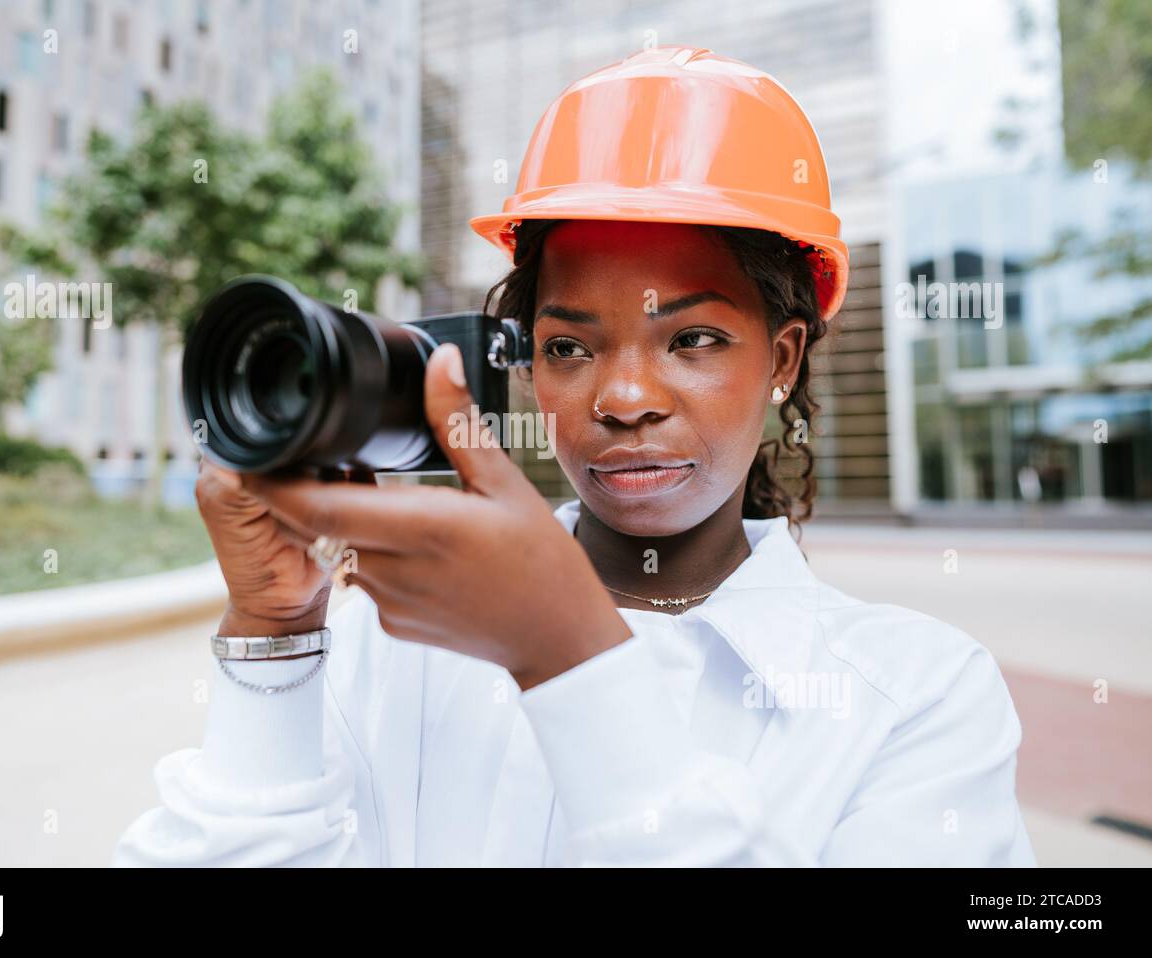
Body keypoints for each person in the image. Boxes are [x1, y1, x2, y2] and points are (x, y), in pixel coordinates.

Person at [114, 46, 1035, 867]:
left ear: (783, 360)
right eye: (567, 346)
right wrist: (274, 636)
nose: (623, 398)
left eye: (694, 340)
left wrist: (568, 655)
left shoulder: (918, 697)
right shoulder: (383, 645)